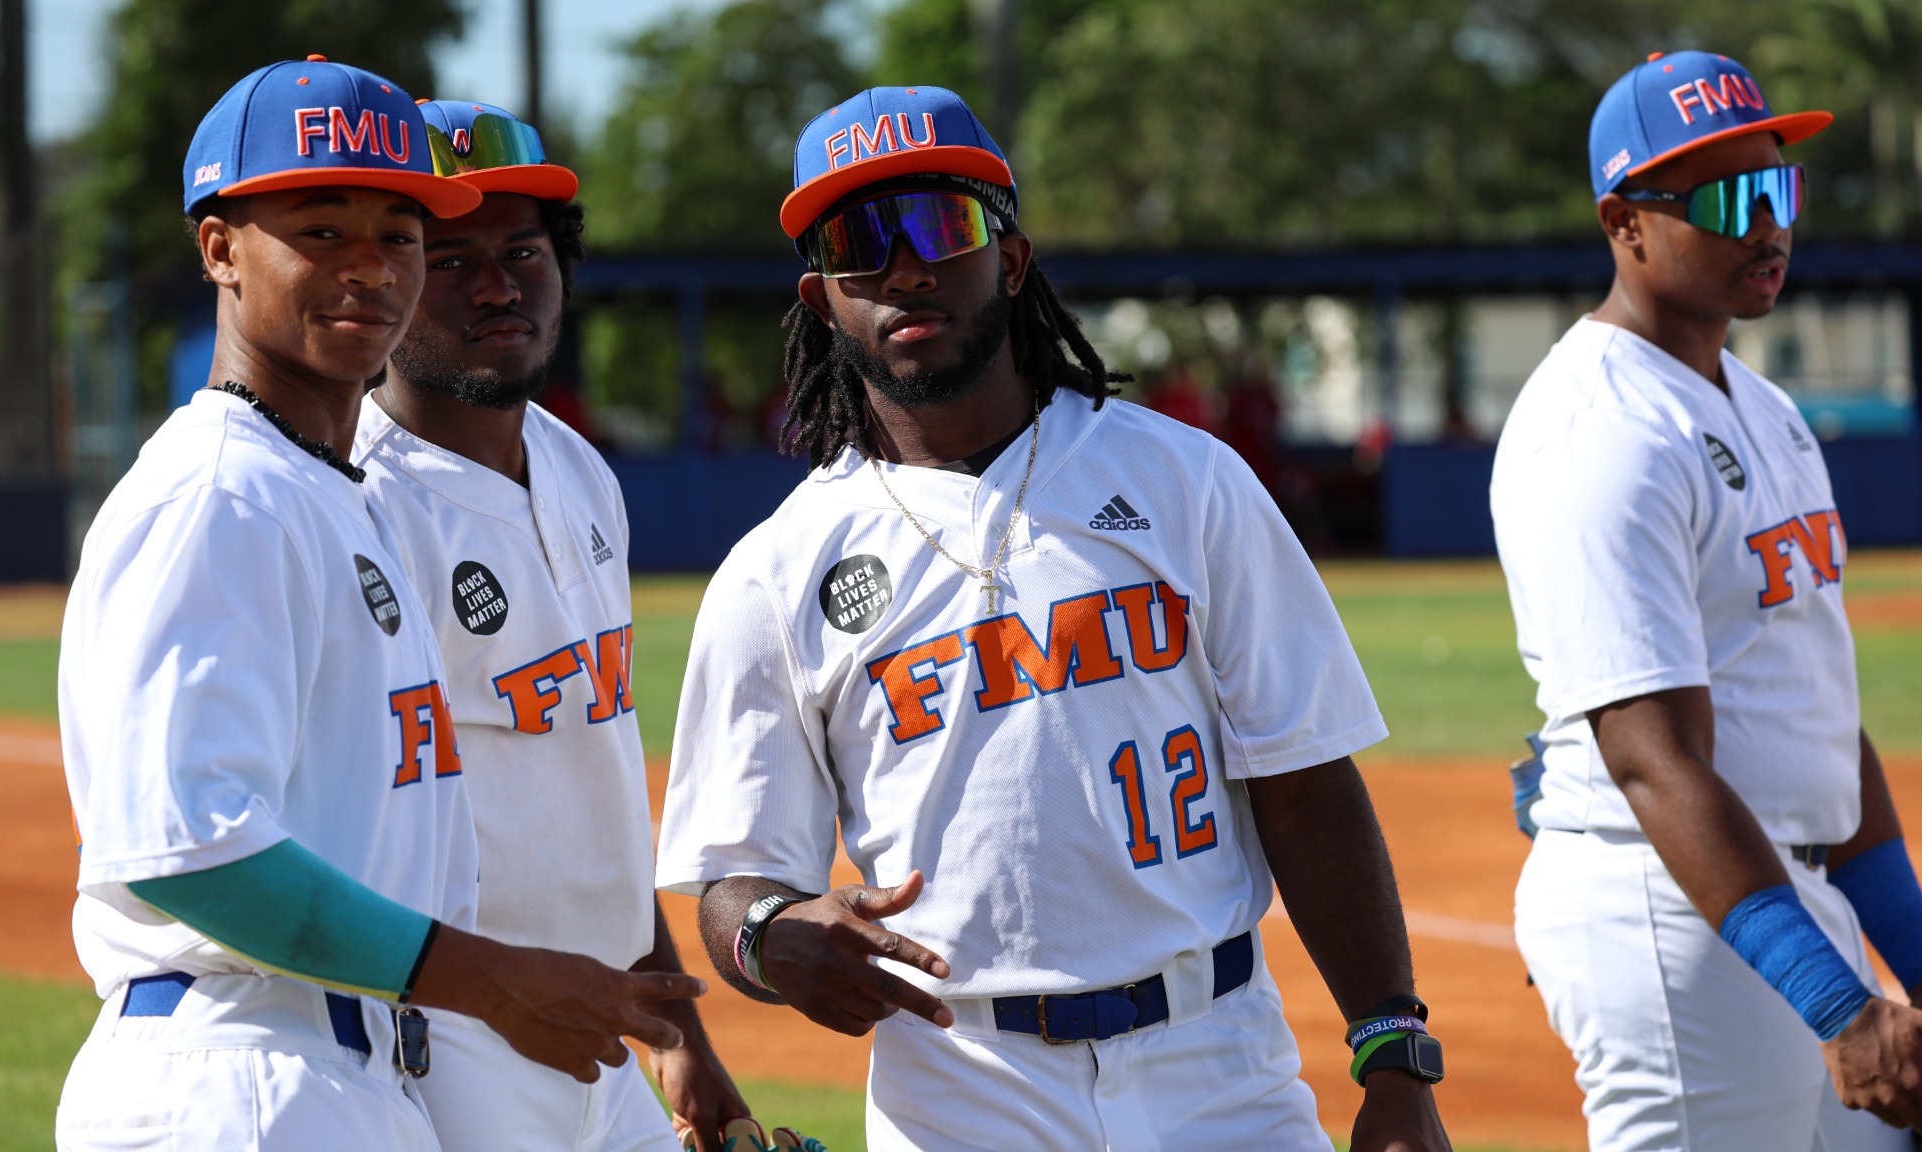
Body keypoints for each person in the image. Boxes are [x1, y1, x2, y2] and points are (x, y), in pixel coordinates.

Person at [654, 86, 1451, 1150]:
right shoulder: (777, 570)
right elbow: (733, 875)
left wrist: (1392, 1051)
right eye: (858, 242)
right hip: (960, 1091)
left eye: (939, 224)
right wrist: (767, 933)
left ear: (1012, 259)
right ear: (821, 298)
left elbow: (1304, 782)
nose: (904, 268)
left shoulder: (1183, 479)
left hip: (1218, 1067)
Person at [56, 59, 702, 1152]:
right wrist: (492, 980)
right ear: (219, 248)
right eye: (321, 231)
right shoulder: (221, 494)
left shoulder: (325, 488)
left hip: (352, 1059)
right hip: (243, 1067)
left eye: (397, 235)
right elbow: (192, 850)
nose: (369, 267)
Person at [1494, 49, 1922, 1150]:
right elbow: (1650, 756)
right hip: (1671, 913)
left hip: (1788, 895)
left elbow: (1818, 721)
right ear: (1623, 223)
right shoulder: (1599, 431)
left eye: (1777, 188)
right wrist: (1837, 1005)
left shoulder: (1762, 407)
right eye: (1726, 200)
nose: (1765, 225)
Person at [354, 98, 749, 1152]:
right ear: (391, 276)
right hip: (455, 1040)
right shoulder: (360, 504)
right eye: (451, 258)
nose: (497, 285)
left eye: (522, 251)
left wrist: (677, 1034)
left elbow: (594, 780)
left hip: (604, 1029)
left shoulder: (579, 470)